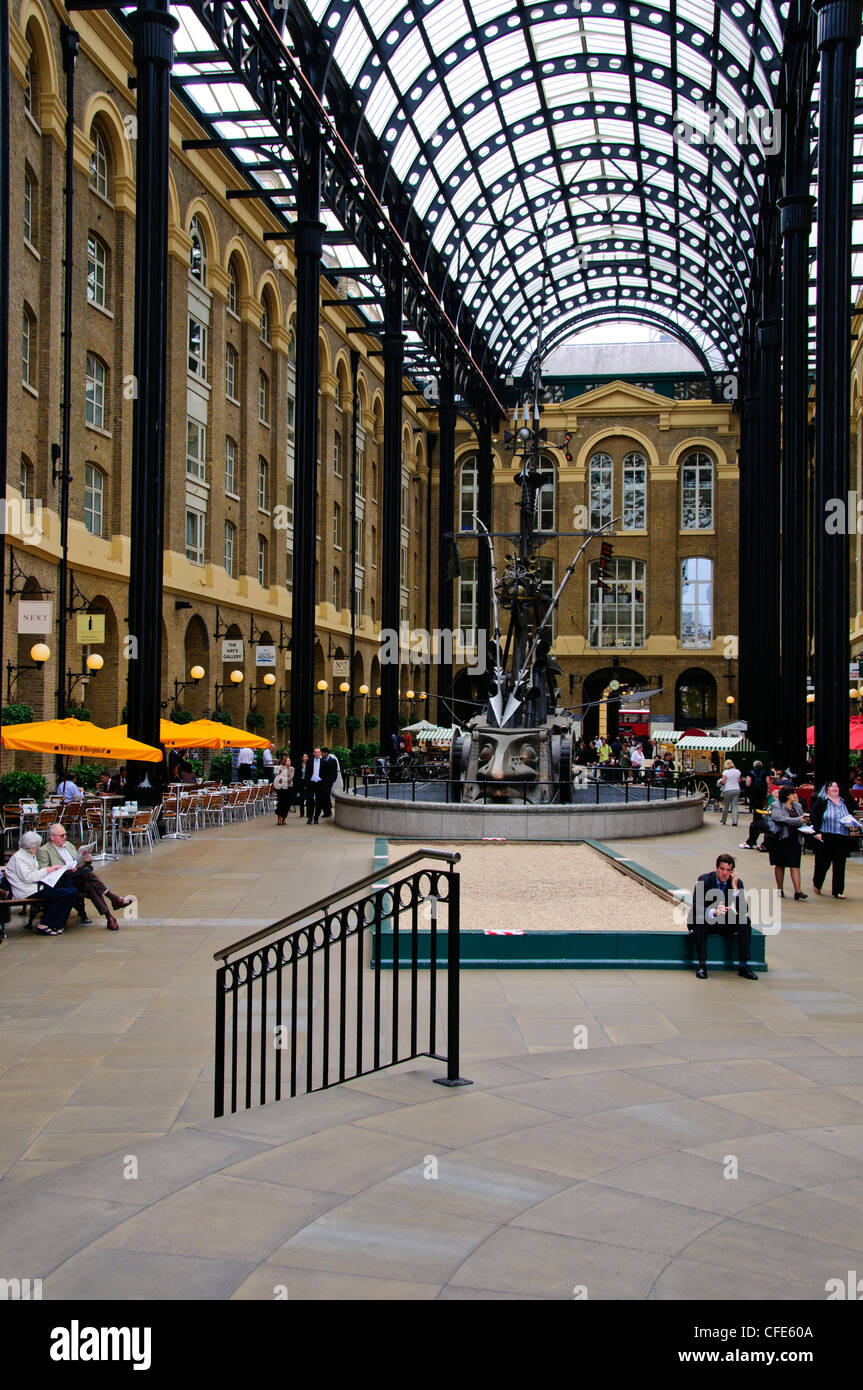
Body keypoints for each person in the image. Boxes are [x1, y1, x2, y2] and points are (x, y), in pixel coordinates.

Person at [37, 824, 133, 931]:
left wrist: (86, 859)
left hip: (77, 877)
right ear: (52, 837)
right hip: (62, 881)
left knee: (89, 884)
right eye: (62, 836)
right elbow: (44, 871)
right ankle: (111, 900)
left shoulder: (68, 845)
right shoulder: (44, 850)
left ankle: (109, 916)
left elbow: (77, 861)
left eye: (65, 835)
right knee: (88, 876)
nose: (65, 838)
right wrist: (64, 869)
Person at [687, 853, 757, 981]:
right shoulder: (704, 879)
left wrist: (735, 888)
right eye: (722, 869)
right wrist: (713, 912)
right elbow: (696, 906)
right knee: (700, 921)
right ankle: (702, 965)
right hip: (705, 918)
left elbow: (743, 911)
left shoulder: (736, 882)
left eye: (728, 870)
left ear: (732, 871)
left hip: (723, 920)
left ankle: (743, 965)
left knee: (745, 920)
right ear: (716, 868)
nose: (725, 873)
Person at [3, 831, 77, 935]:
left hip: (37, 887)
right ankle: (45, 924)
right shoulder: (19, 858)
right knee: (65, 893)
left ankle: (57, 924)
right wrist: (47, 870)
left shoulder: (28, 855)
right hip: (27, 891)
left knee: (72, 891)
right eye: (37, 846)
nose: (38, 848)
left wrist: (52, 871)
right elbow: (28, 877)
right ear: (31, 846)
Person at [810, 780, 861, 899]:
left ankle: (838, 890)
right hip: (826, 835)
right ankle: (817, 882)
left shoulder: (845, 802)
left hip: (842, 836)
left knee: (840, 864)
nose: (834, 788)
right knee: (823, 863)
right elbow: (814, 817)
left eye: (836, 787)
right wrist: (817, 832)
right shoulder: (822, 801)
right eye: (831, 787)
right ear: (827, 790)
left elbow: (854, 809)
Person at [766, 786, 809, 900]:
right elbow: (779, 818)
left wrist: (805, 825)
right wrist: (797, 820)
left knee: (795, 864)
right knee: (780, 864)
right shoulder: (777, 805)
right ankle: (780, 889)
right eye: (793, 793)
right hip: (781, 839)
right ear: (787, 795)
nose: (795, 795)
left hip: (794, 839)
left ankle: (798, 891)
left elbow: (801, 819)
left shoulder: (798, 806)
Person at [740, 759, 770, 850]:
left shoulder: (751, 773)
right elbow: (768, 783)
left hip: (754, 794)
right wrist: (768, 791)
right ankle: (759, 814)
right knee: (760, 807)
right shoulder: (765, 772)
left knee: (755, 809)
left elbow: (748, 784)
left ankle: (756, 817)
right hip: (762, 794)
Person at [304, 746, 337, 823]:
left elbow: (326, 775)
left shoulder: (324, 762)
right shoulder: (309, 762)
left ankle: (316, 818)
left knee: (319, 802)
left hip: (320, 784)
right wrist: (306, 784)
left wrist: (326, 784)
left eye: (319, 752)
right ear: (313, 753)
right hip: (311, 784)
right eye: (316, 752)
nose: (318, 753)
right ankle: (310, 818)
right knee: (310, 801)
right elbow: (307, 774)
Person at [718, 758, 743, 826]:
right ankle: (735, 821)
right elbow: (739, 780)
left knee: (726, 805)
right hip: (736, 789)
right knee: (735, 806)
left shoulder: (725, 772)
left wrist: (720, 783)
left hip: (728, 790)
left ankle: (724, 820)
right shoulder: (738, 771)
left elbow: (723, 781)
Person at [272, 755, 294, 825]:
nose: (289, 762)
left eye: (290, 761)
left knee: (286, 803)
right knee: (280, 803)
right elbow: (276, 775)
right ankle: (279, 818)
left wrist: (282, 778)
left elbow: (290, 778)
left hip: (288, 787)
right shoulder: (280, 767)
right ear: (284, 762)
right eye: (288, 761)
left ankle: (284, 818)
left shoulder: (291, 769)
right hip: (280, 787)